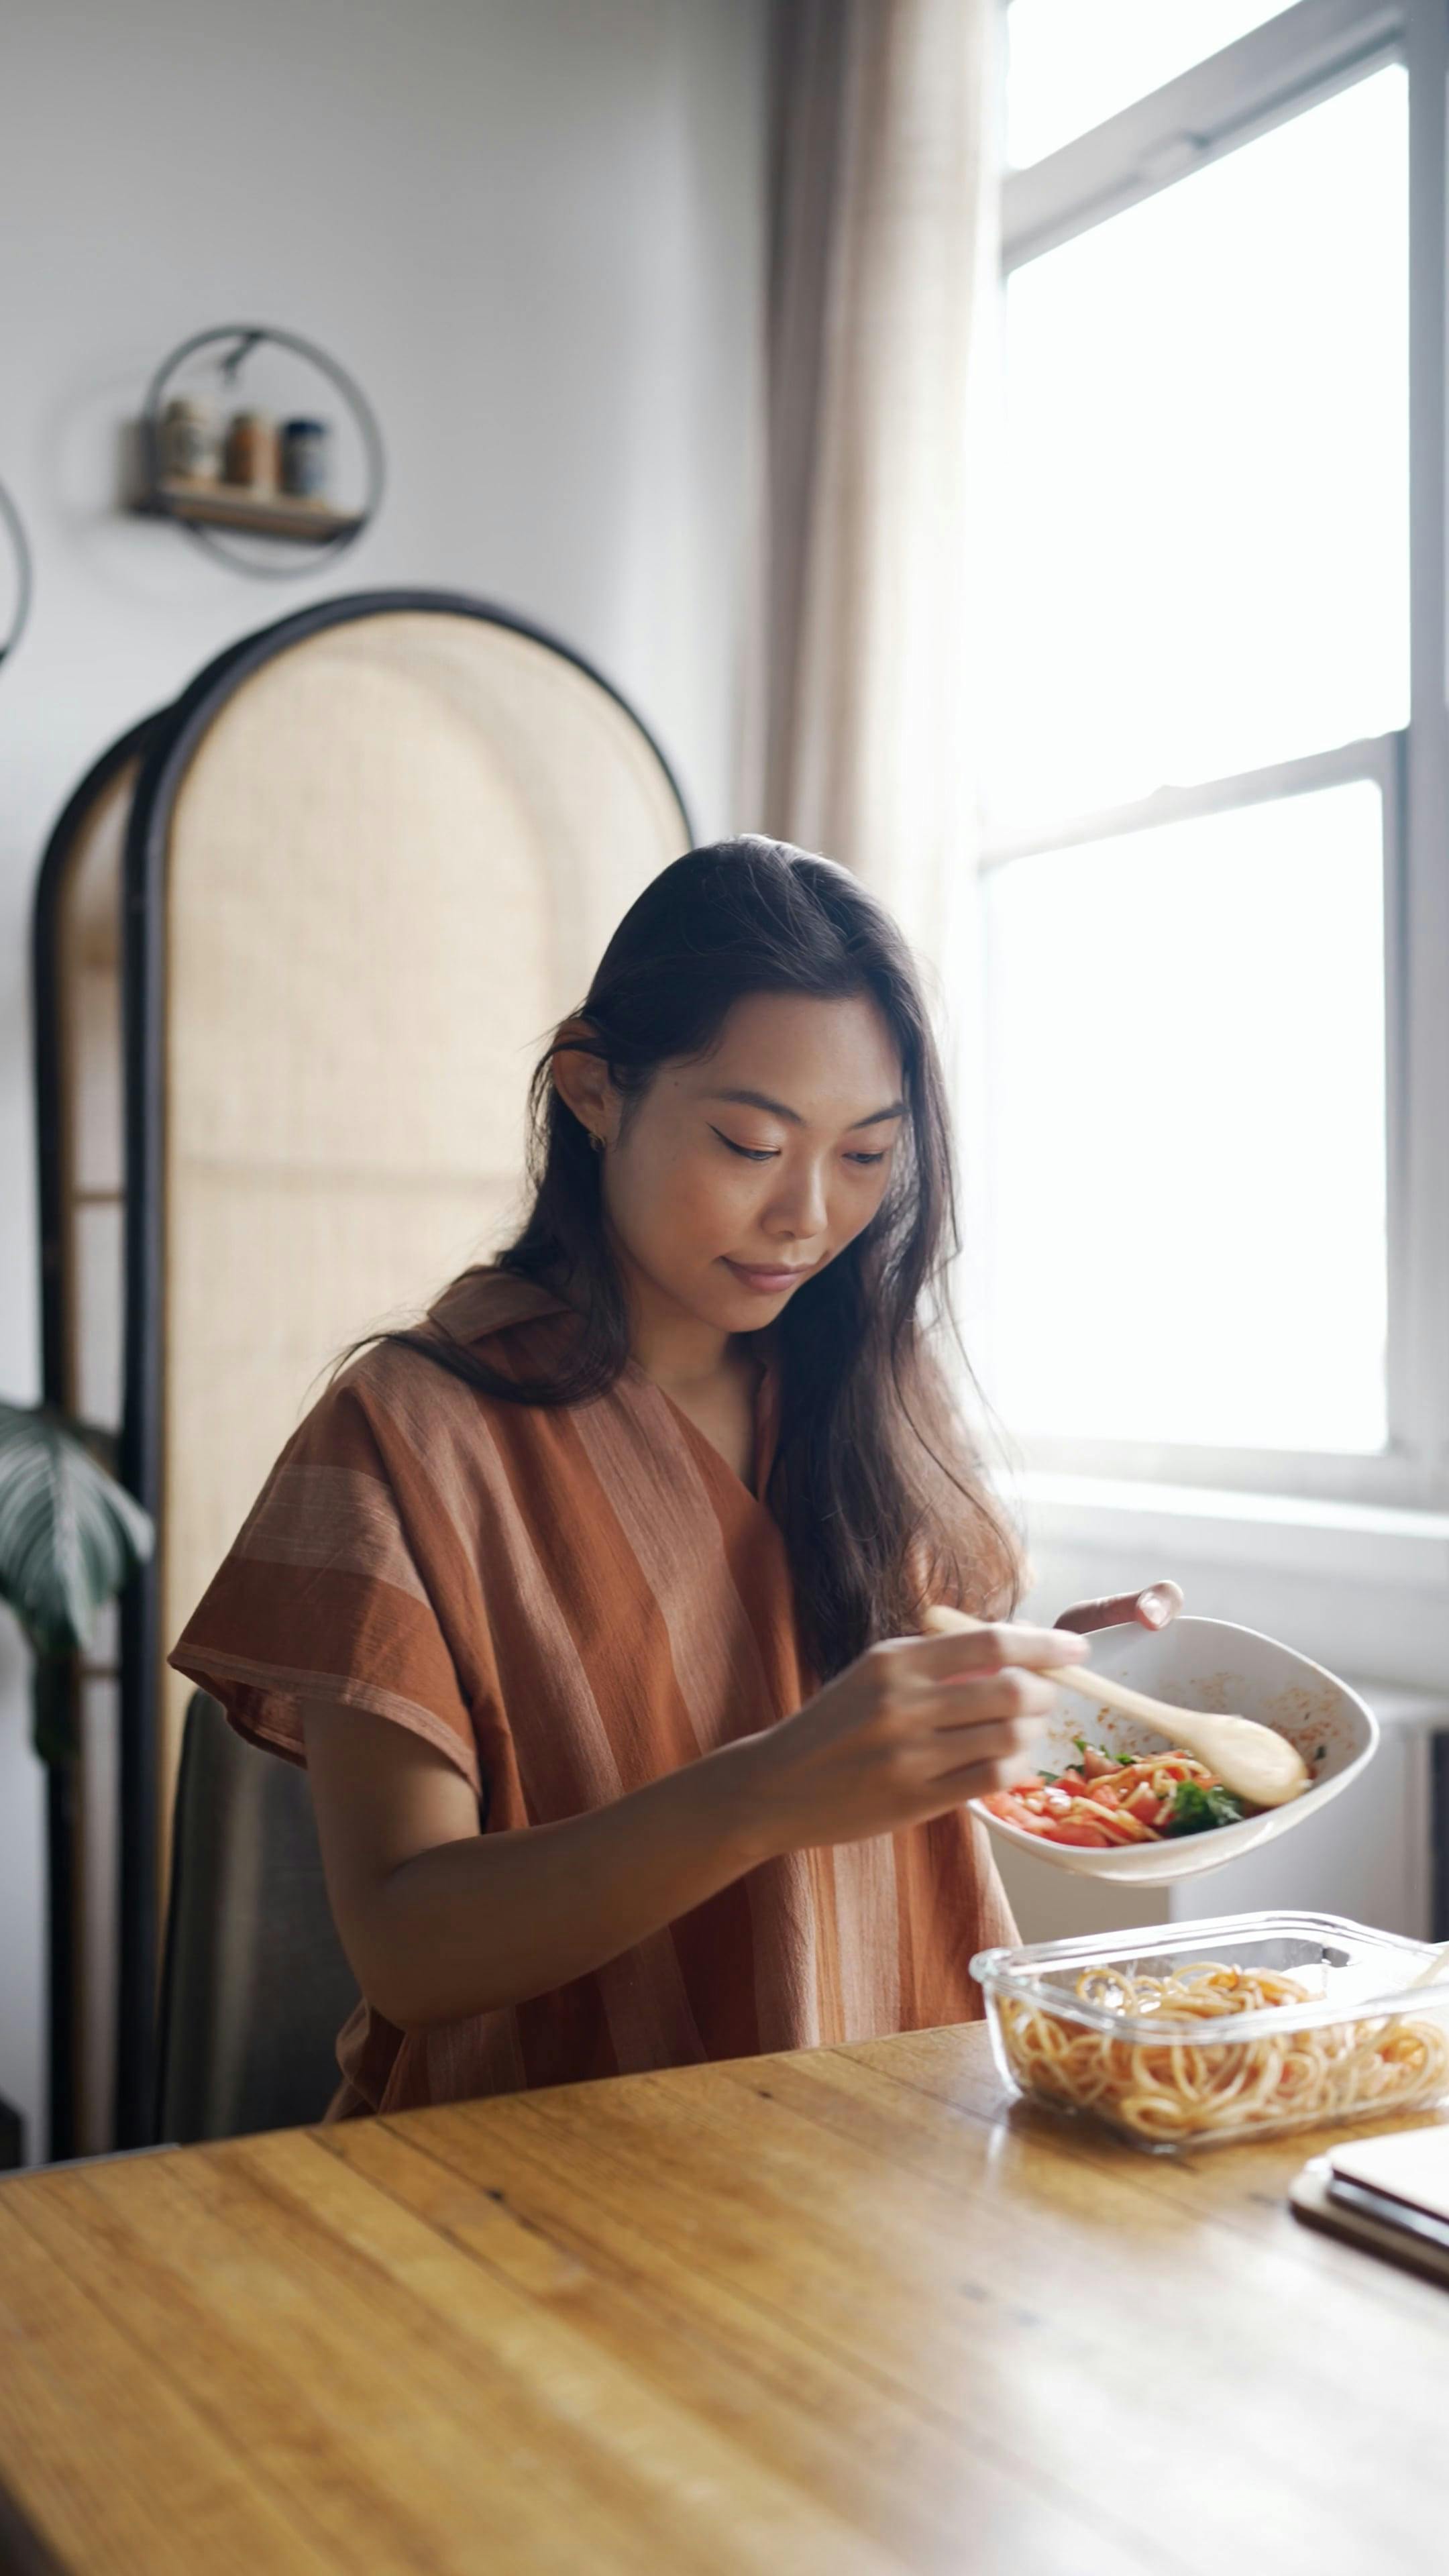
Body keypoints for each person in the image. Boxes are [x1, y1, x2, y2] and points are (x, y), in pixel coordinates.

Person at [170, 837, 1181, 2118]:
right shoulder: (410, 1432)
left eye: (866, 1157)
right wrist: (768, 1789)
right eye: (752, 1145)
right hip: (536, 2176)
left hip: (893, 2145)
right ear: (593, 1090)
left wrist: (1041, 1693)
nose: (807, 1217)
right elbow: (409, 1953)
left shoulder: (875, 1386)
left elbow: (877, 1755)